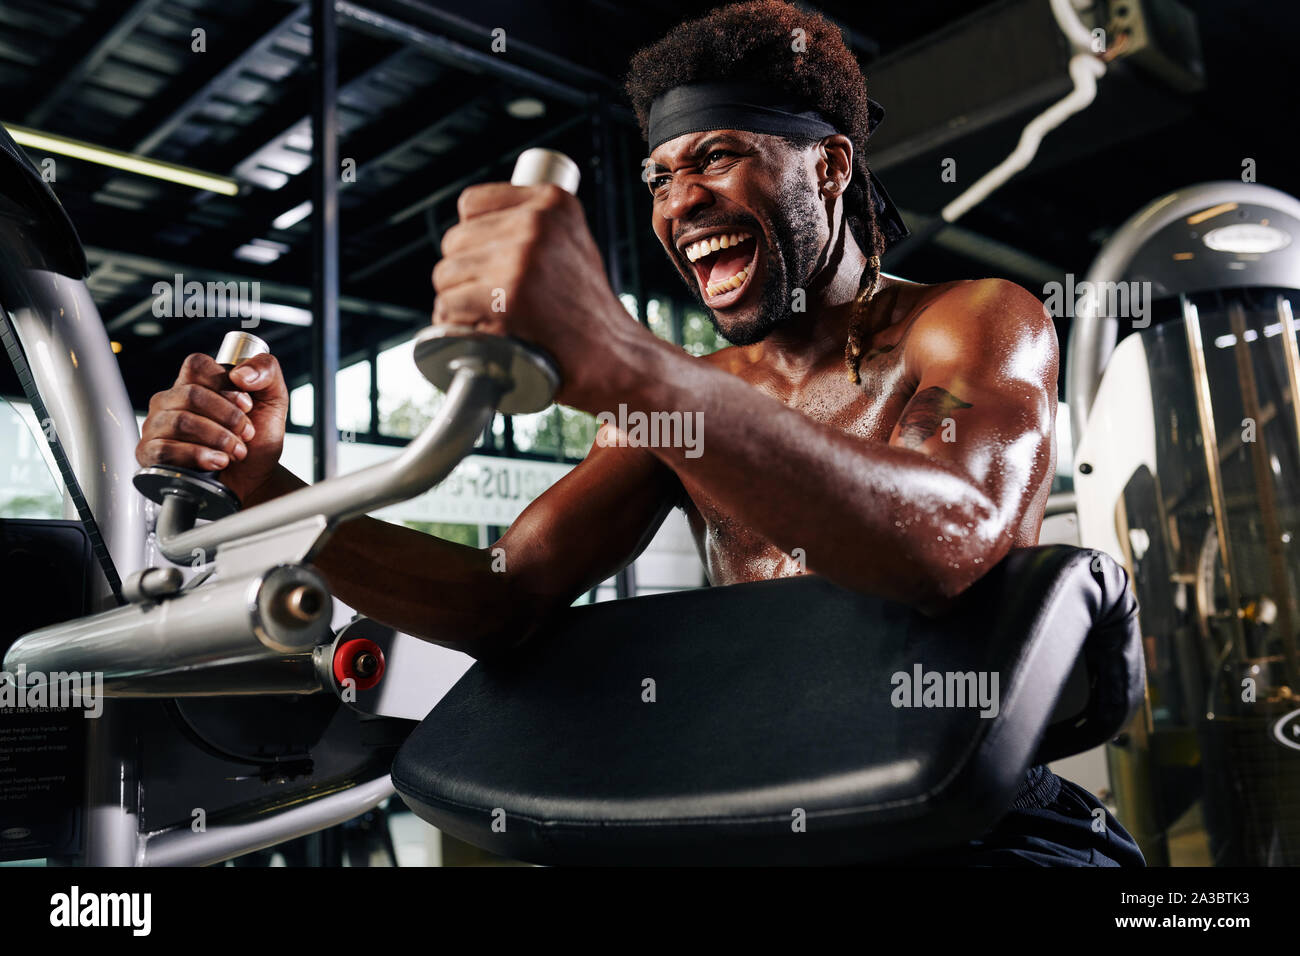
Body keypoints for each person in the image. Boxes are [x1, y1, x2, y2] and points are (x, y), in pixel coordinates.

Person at [135, 0, 1142, 866]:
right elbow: (500, 598)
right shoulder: (689, 398)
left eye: (715, 157)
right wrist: (269, 486)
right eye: (659, 176)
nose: (678, 201)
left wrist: (622, 355)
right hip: (767, 803)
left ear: (830, 164)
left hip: (963, 817)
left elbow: (944, 542)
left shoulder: (972, 320)